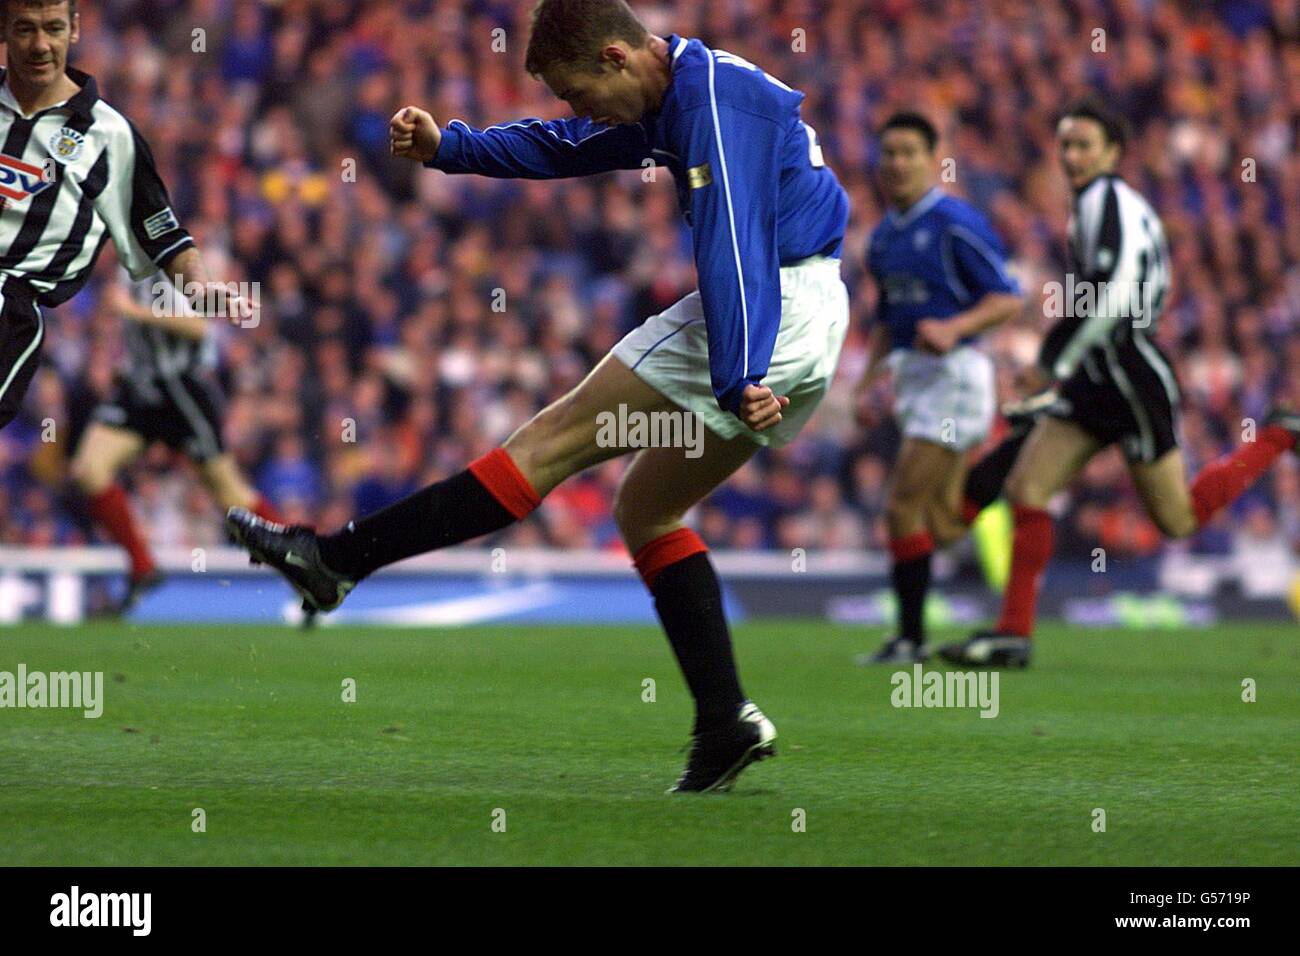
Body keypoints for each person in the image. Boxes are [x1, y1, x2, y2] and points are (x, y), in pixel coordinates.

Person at [227, 0, 851, 793]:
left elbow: (731, 248)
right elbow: (568, 147)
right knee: (647, 512)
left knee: (544, 445)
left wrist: (740, 372)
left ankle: (336, 560)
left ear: (619, 59)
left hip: (772, 308)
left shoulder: (710, 108)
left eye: (579, 90)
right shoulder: (680, 88)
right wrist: (452, 145)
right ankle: (724, 720)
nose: (578, 108)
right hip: (810, 314)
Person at [938, 97, 1299, 669]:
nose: (1073, 155)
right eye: (1067, 145)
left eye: (1085, 145)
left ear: (1112, 152)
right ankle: (1013, 633)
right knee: (1029, 491)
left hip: (1128, 372)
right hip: (1099, 372)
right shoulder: (1098, 205)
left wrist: (1050, 364)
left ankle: (1278, 437)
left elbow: (1110, 295)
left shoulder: (1105, 200)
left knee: (1176, 520)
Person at [0, 0, 238, 430]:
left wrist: (201, 290)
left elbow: (163, 234)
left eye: (53, 28)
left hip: (8, 306)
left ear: (73, 30)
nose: (40, 45)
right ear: (3, 31)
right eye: (25, 29)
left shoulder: (110, 136)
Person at [852, 112, 1023, 665]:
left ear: (933, 158)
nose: (897, 163)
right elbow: (886, 319)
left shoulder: (954, 223)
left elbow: (1007, 297)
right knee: (944, 525)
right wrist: (866, 381)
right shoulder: (881, 239)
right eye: (889, 153)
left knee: (900, 508)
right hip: (915, 380)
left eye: (909, 152)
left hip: (956, 376)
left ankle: (909, 639)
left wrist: (953, 327)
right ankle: (1019, 447)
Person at [69, 270, 283, 613]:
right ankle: (142, 566)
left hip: (182, 389)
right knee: (88, 470)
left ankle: (304, 557)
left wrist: (133, 311)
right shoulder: (122, 266)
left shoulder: (169, 264)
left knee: (231, 497)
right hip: (139, 389)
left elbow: (198, 327)